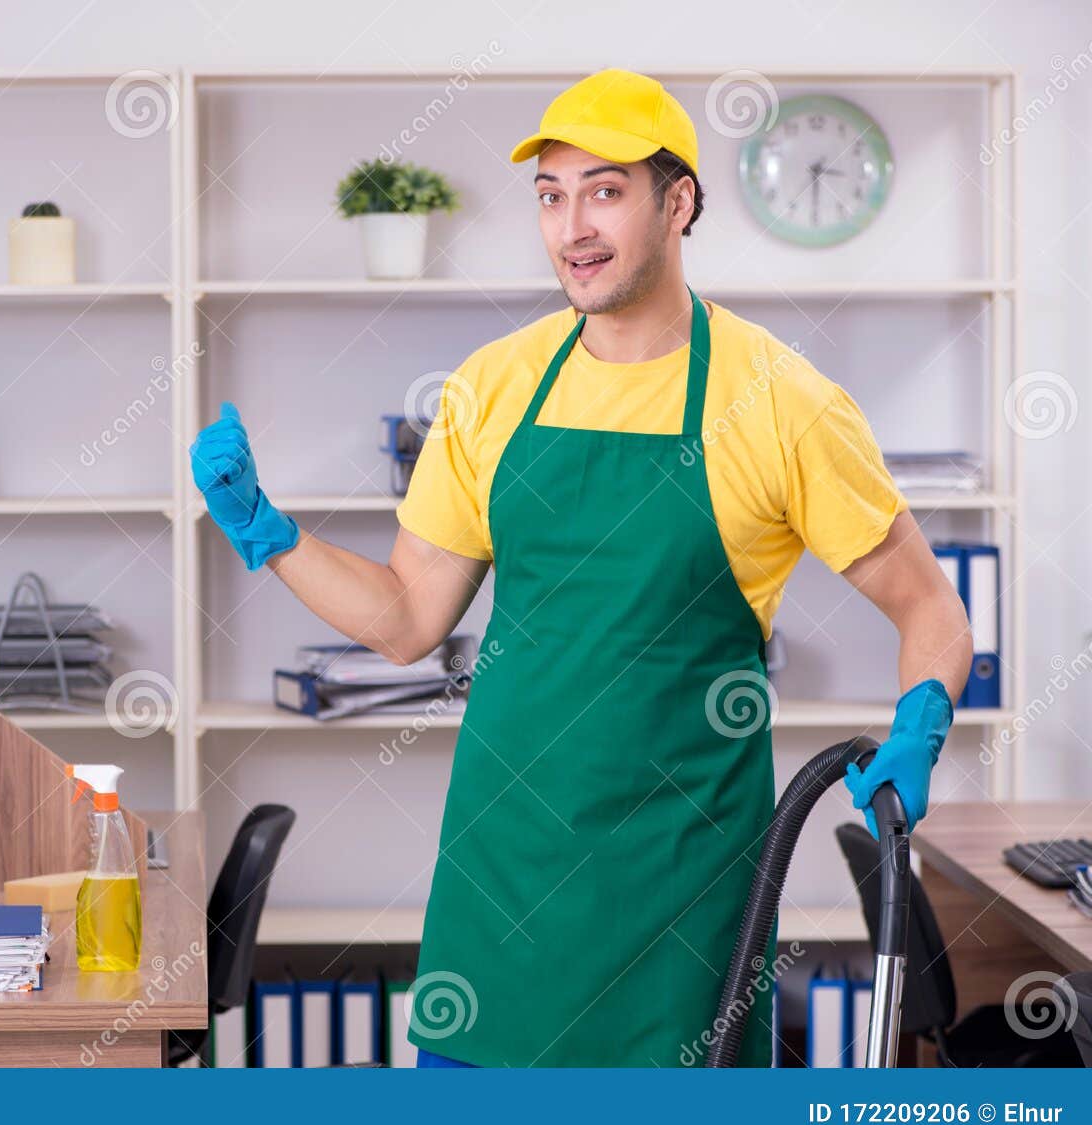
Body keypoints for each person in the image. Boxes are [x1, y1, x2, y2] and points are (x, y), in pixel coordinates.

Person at [188, 68, 971, 1067]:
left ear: (677, 203)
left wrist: (920, 726)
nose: (573, 228)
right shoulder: (491, 386)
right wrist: (267, 531)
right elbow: (406, 619)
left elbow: (930, 609)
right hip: (501, 875)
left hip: (684, 888)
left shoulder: (781, 401)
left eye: (604, 192)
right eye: (551, 197)